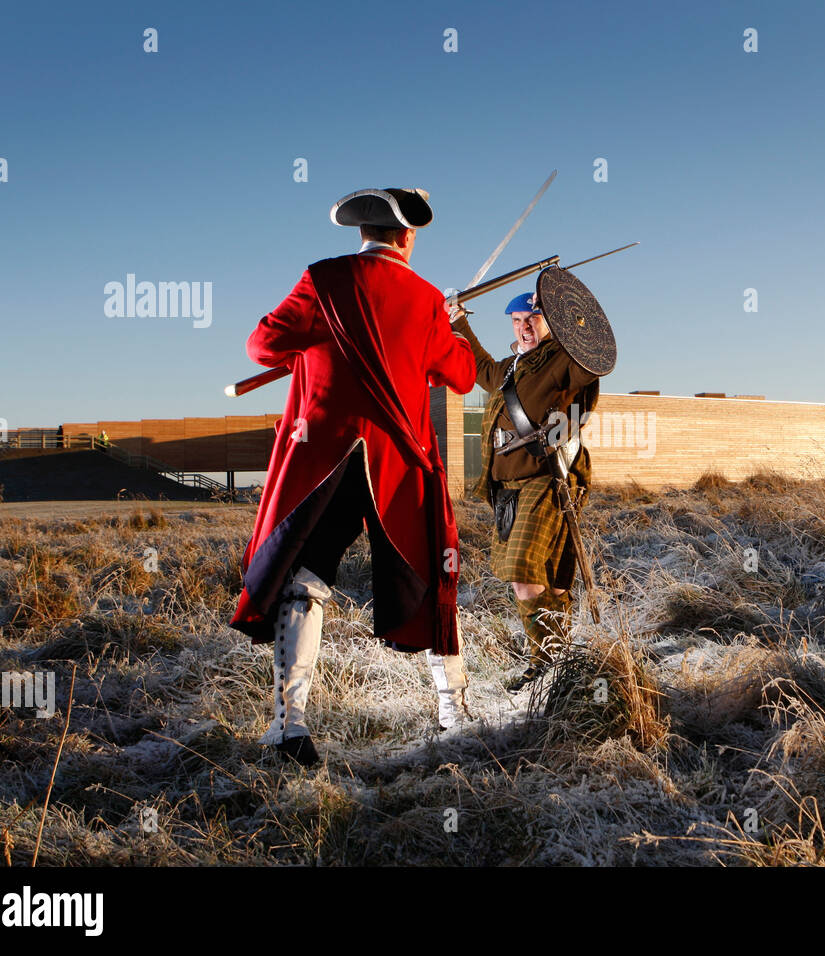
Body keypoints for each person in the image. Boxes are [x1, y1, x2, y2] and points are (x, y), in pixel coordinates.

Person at [230, 186, 476, 765]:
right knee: (438, 576)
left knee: (304, 582)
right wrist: (453, 324)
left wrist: (306, 350)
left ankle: (291, 731)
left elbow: (260, 344)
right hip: (399, 462)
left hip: (329, 457)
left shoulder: (322, 279)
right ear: (407, 237)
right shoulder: (425, 300)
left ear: (361, 234)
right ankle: (455, 721)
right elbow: (461, 375)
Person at [450, 293, 599, 691]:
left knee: (522, 573)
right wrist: (459, 321)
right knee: (551, 579)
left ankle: (543, 663)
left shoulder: (562, 360)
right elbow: (481, 366)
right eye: (517, 320)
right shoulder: (512, 367)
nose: (525, 327)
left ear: (552, 322)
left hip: (545, 478)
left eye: (533, 318)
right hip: (508, 487)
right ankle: (562, 659)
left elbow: (594, 363)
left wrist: (578, 321)